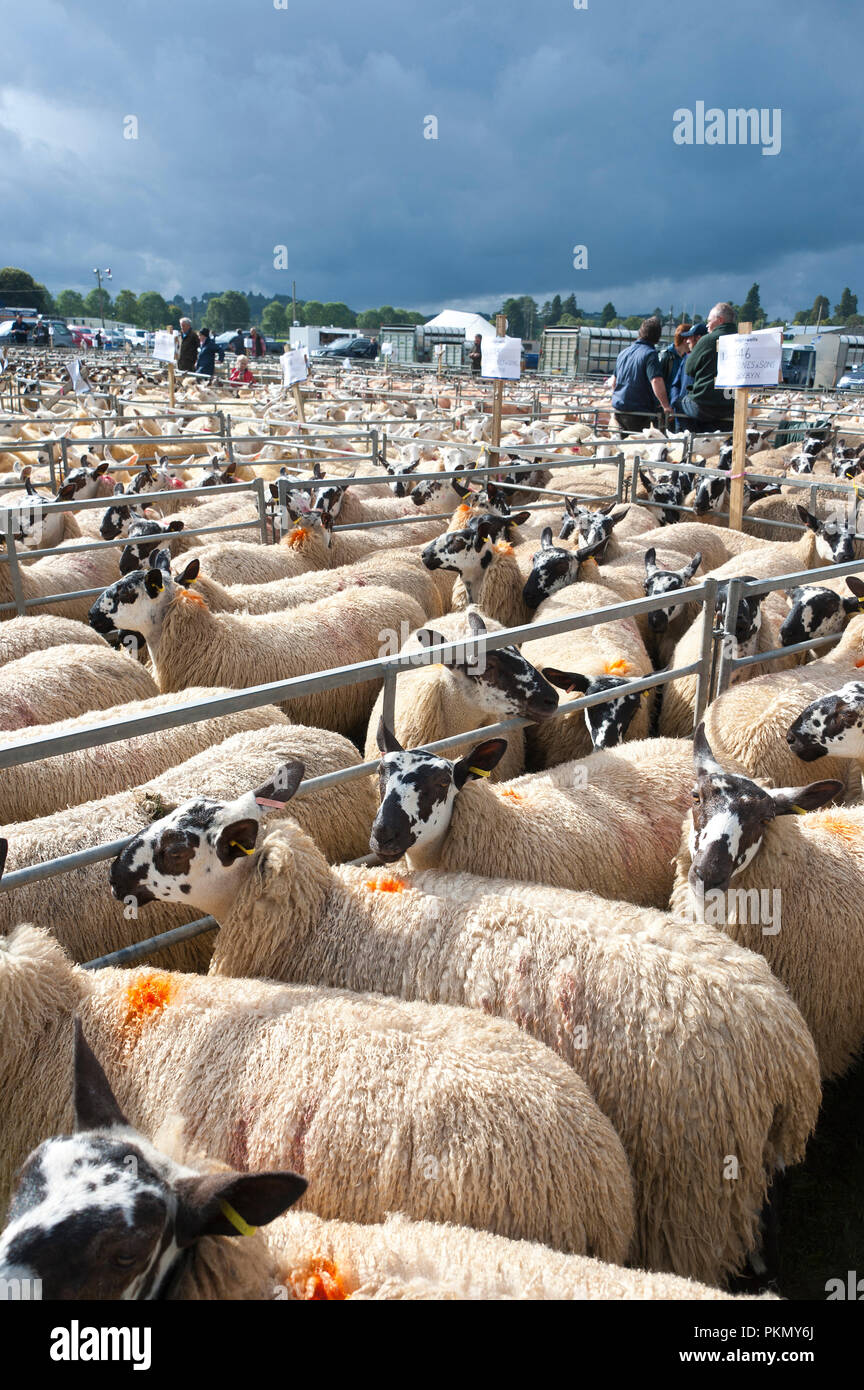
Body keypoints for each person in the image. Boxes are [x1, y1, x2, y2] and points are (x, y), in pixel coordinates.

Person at [676, 303, 738, 430]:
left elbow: (689, 369)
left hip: (704, 404)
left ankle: (685, 438)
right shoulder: (741, 339)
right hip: (731, 405)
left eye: (709, 321)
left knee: (678, 403)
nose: (707, 325)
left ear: (720, 320)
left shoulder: (707, 340)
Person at [609, 317, 673, 432]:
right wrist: (666, 405)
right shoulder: (650, 354)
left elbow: (614, 381)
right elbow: (656, 380)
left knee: (623, 445)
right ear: (657, 337)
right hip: (639, 411)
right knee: (640, 446)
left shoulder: (623, 353)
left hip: (619, 410)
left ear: (640, 332)